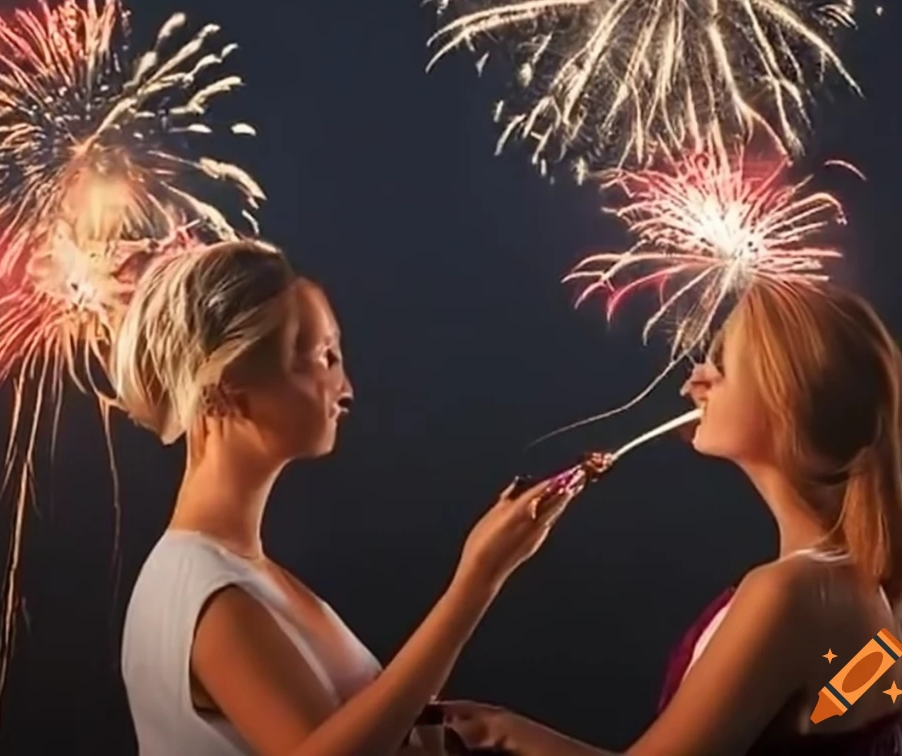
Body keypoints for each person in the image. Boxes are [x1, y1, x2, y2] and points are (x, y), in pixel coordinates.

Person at [112, 238, 578, 756]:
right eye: (323, 357)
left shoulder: (243, 577)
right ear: (229, 383)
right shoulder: (209, 596)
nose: (346, 387)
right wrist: (477, 582)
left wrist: (489, 726)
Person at [441, 279, 902, 756]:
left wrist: (501, 730)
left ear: (787, 403)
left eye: (722, 366)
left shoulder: (788, 594)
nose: (693, 383)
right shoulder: (871, 591)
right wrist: (496, 727)